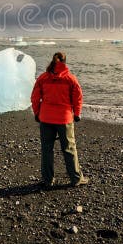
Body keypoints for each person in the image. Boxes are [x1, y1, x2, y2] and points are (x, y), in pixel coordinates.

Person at [30, 52, 89, 188]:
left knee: (47, 149)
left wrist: (37, 113)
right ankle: (75, 179)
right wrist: (77, 113)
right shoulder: (70, 78)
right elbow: (78, 98)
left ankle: (48, 180)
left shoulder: (43, 78)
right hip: (64, 119)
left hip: (46, 118)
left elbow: (34, 97)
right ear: (65, 62)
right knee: (69, 149)